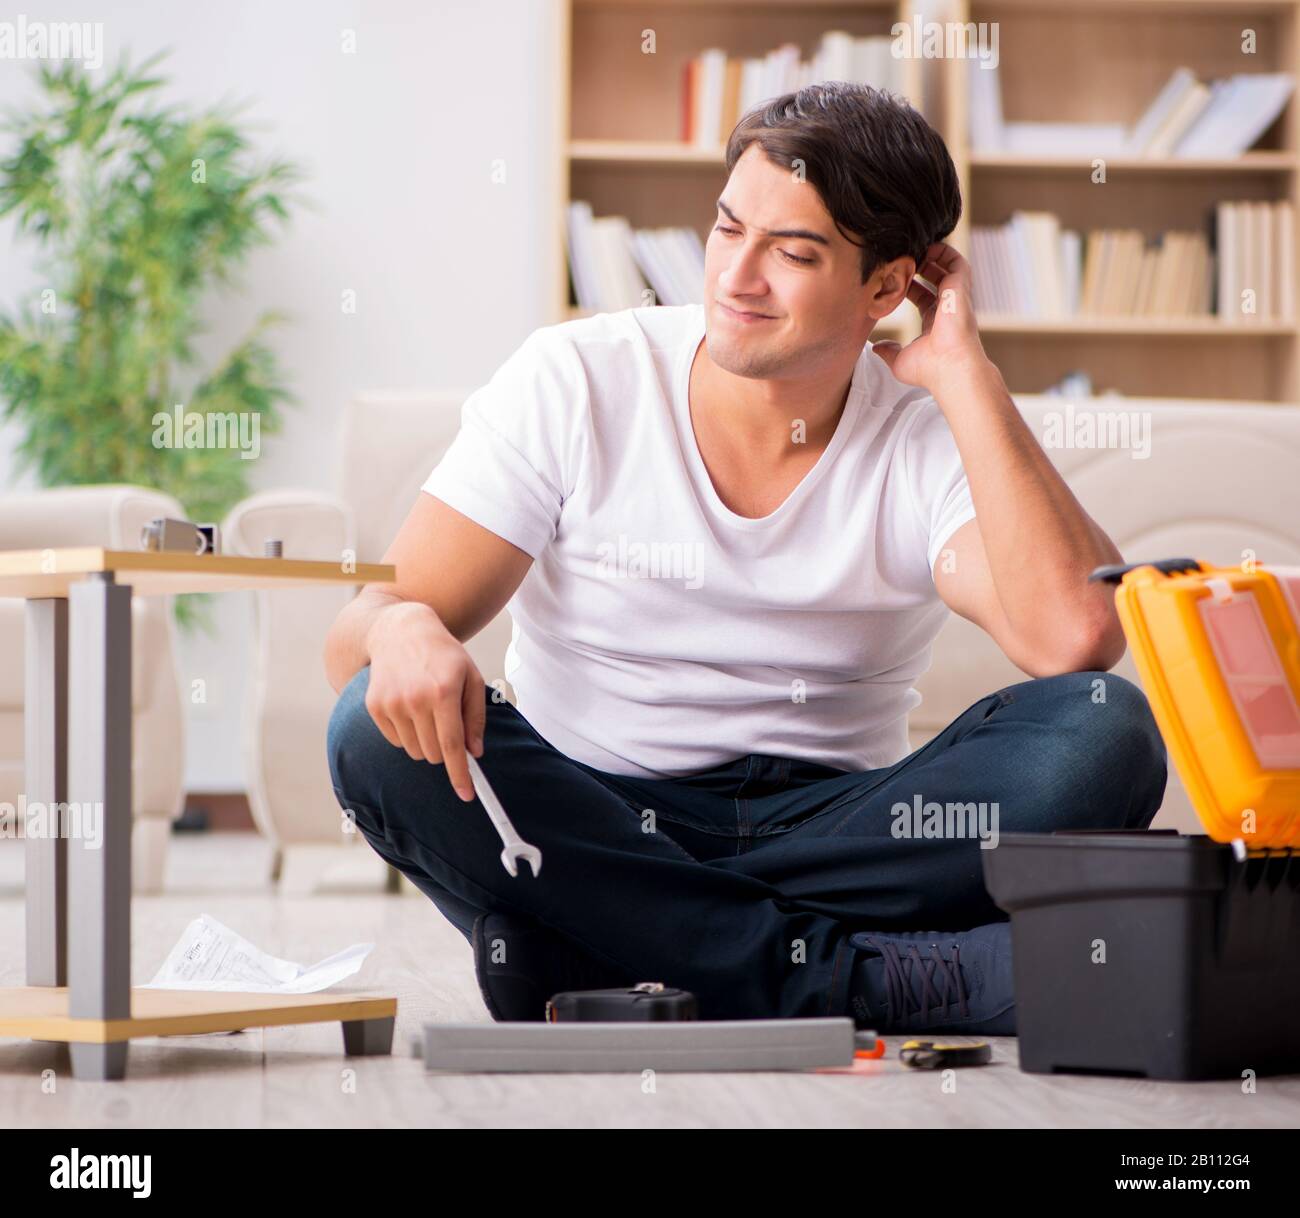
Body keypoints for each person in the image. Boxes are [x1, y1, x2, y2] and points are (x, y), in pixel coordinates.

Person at [324, 82, 1167, 1033]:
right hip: (592, 808)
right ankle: (870, 980)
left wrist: (968, 376)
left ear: (888, 286)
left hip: (834, 827)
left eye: (793, 253)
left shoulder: (924, 437)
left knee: (1106, 730)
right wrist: (399, 627)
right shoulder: (579, 379)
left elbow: (1077, 635)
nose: (735, 276)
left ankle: (606, 946)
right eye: (728, 230)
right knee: (367, 729)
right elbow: (357, 632)